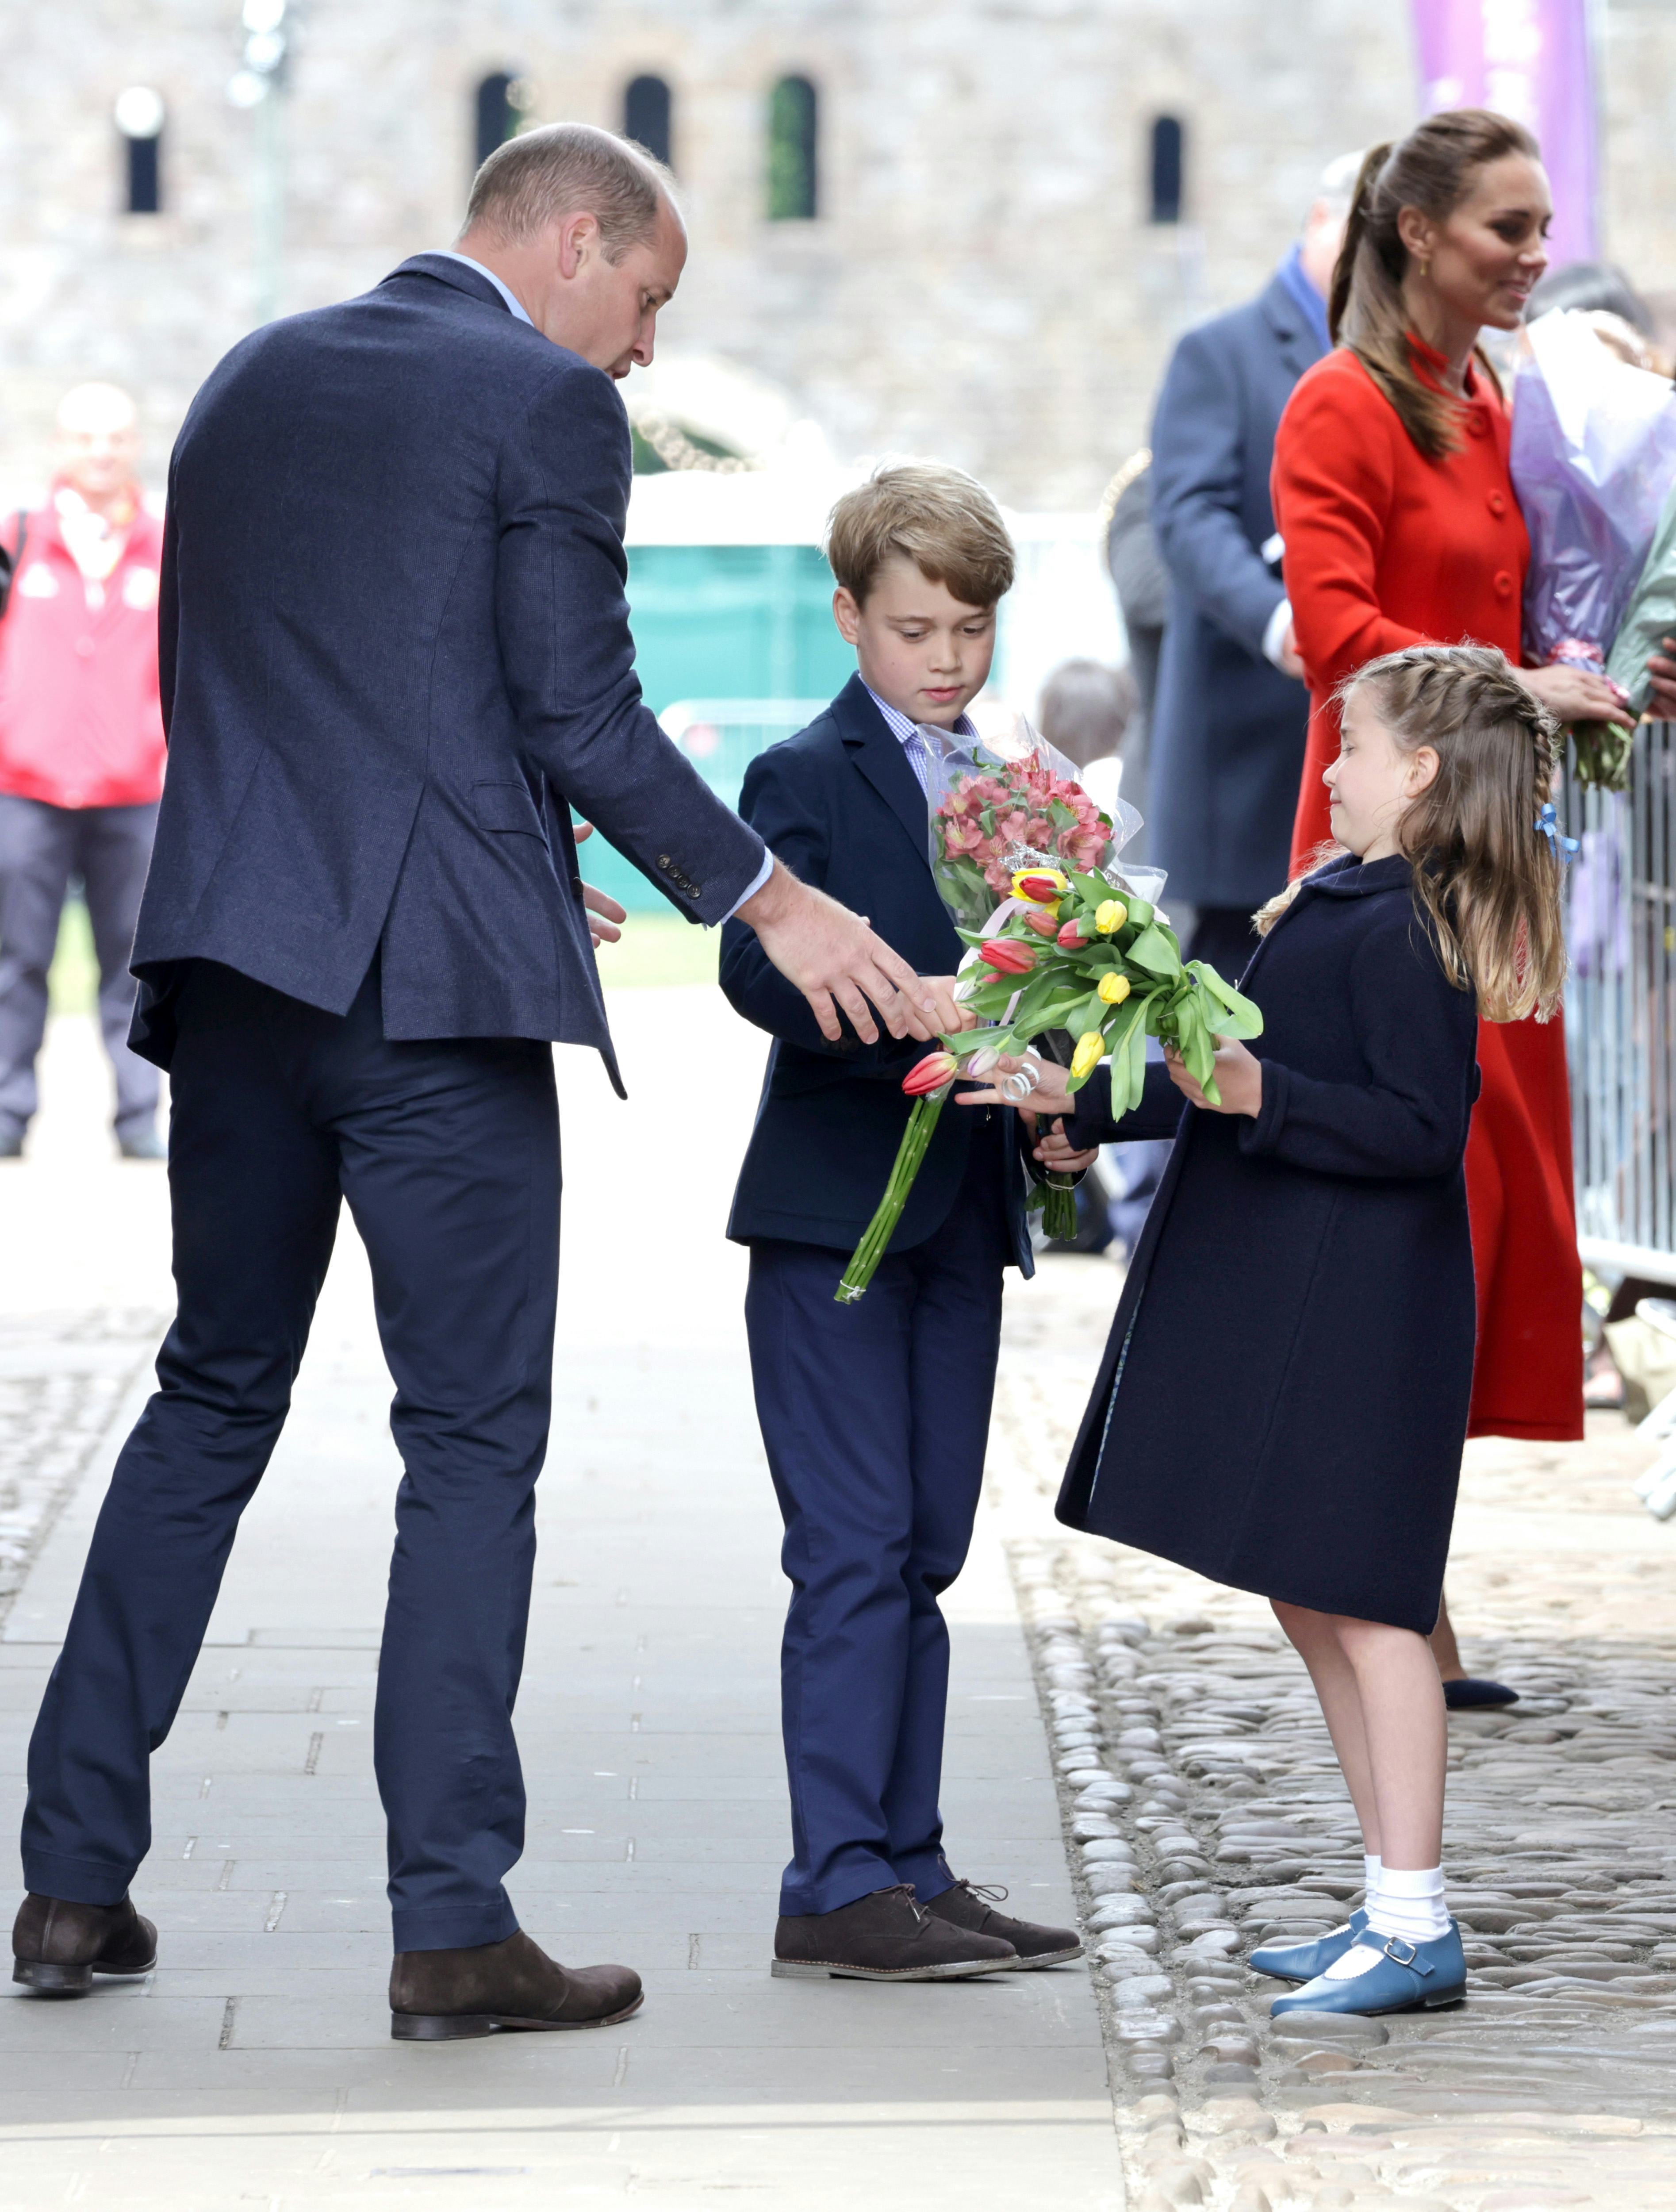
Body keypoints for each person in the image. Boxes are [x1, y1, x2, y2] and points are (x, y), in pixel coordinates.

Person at [11, 124, 943, 2039]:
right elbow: (571, 702)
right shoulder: (539, 403)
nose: (644, 352)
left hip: (233, 969)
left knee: (206, 1399)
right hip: (421, 1015)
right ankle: (450, 1920)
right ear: (573, 237)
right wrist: (773, 900)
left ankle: (66, 1883)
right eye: (647, 299)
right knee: (469, 1441)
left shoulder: (247, 377)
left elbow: (298, 688)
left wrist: (519, 868)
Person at [972, 642, 1572, 2017]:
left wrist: (1256, 1097)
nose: (1329, 766)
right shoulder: (1339, 896)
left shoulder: (1410, 924)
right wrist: (1076, 1102)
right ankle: (1381, 1901)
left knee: (1368, 1611)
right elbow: (1221, 1065)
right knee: (1309, 1595)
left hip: (1364, 1317)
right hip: (1304, 1302)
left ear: (1416, 776)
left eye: (1350, 747)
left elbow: (1417, 1130)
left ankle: (1415, 1920)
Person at [1272, 114, 1676, 1708]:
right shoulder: (1341, 404)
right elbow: (1339, 637)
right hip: (1389, 875)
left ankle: (1403, 1583)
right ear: (1420, 231)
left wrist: (1616, 688)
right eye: (1507, 228)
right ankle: (1392, 1601)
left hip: (1497, 867)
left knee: (1478, 1232)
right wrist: (1524, 685)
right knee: (1414, 1223)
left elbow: (1517, 609)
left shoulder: (1488, 398)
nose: (1533, 254)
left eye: (1539, 226)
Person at [719, 463, 1084, 1983]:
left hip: (964, 1212)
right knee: (853, 1548)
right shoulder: (798, 776)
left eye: (973, 628)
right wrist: (893, 1012)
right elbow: (753, 974)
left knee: (930, 1546)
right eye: (916, 626)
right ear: (849, 615)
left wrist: (1063, 1038)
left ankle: (913, 1867)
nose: (947, 659)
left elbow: (1064, 967)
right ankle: (833, 1879)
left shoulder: (1022, 793)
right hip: (833, 1213)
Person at [1146, 154, 1359, 983]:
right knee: (1231, 1019)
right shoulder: (1220, 352)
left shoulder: (1400, 366)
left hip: (1371, 758)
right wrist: (1281, 623)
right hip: (1251, 755)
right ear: (1318, 220)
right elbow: (1186, 516)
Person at [0, 384, 166, 1160]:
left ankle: (139, 1121)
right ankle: (6, 1115)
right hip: (25, 790)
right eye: (85, 437)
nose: (101, 451)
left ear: (132, 445)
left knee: (135, 966)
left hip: (134, 795)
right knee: (15, 959)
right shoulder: (18, 536)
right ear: (62, 444)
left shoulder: (167, 544)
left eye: (114, 437)